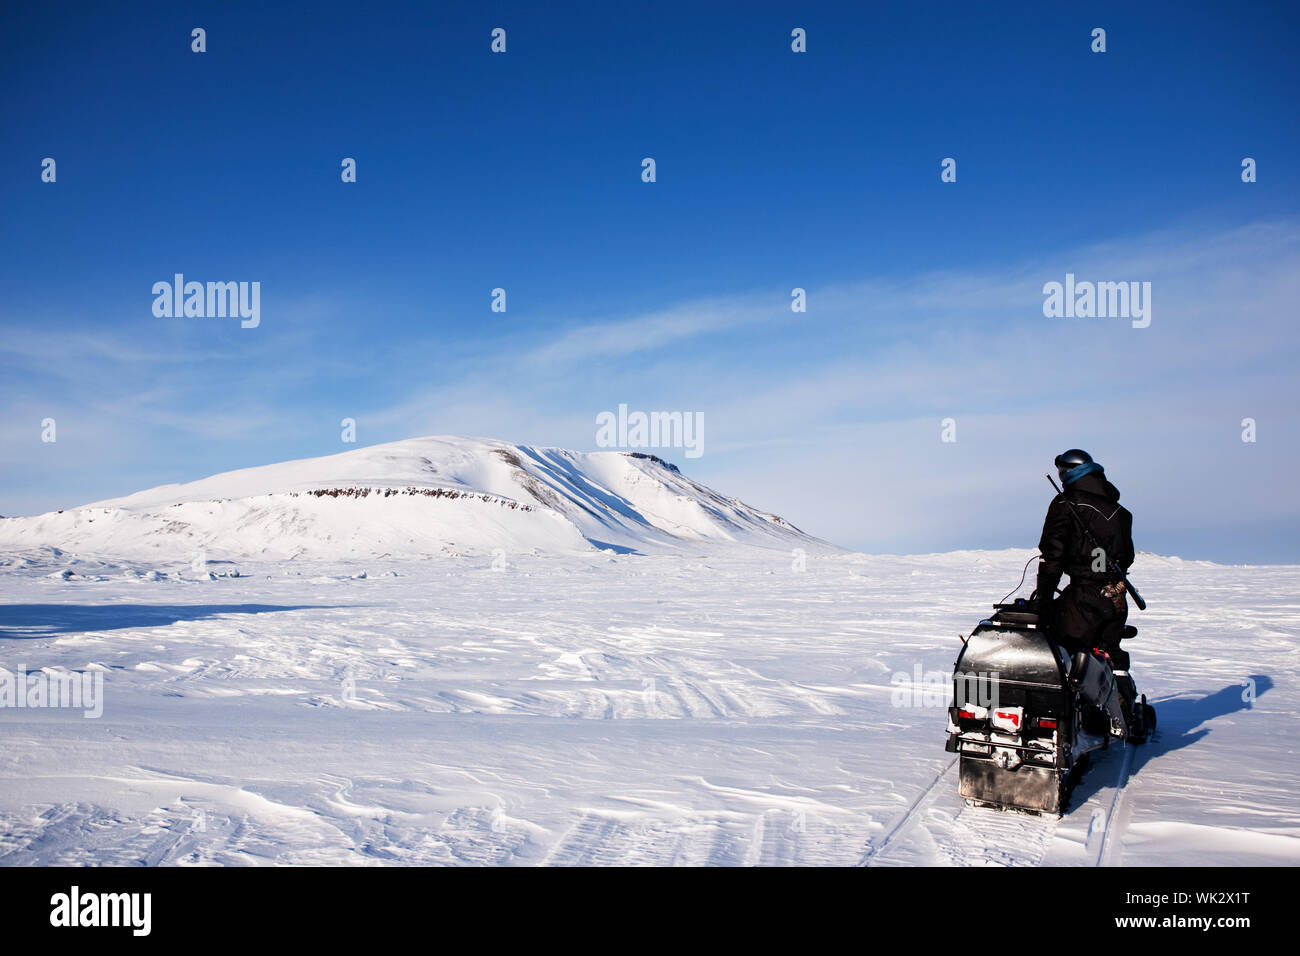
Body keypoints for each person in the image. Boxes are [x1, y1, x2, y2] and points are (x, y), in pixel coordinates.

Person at [1034, 449, 1148, 737]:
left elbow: (1053, 555)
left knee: (1057, 649)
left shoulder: (1067, 504)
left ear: (1067, 473)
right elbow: (1126, 556)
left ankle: (1062, 720)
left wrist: (1044, 598)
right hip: (1116, 598)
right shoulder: (1121, 513)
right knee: (1108, 651)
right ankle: (1122, 710)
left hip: (1083, 598)